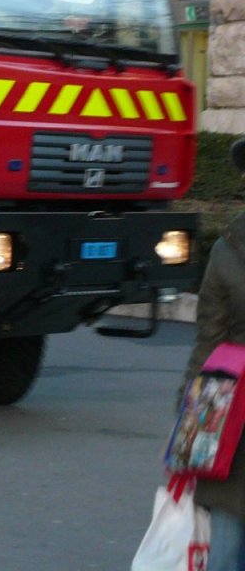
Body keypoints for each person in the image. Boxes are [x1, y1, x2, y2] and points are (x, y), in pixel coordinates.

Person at [179, 135, 245, 571]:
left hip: (233, 412)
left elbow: (210, 339)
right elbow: (209, 337)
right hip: (234, 418)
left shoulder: (226, 248)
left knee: (226, 540)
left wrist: (189, 415)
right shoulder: (226, 249)